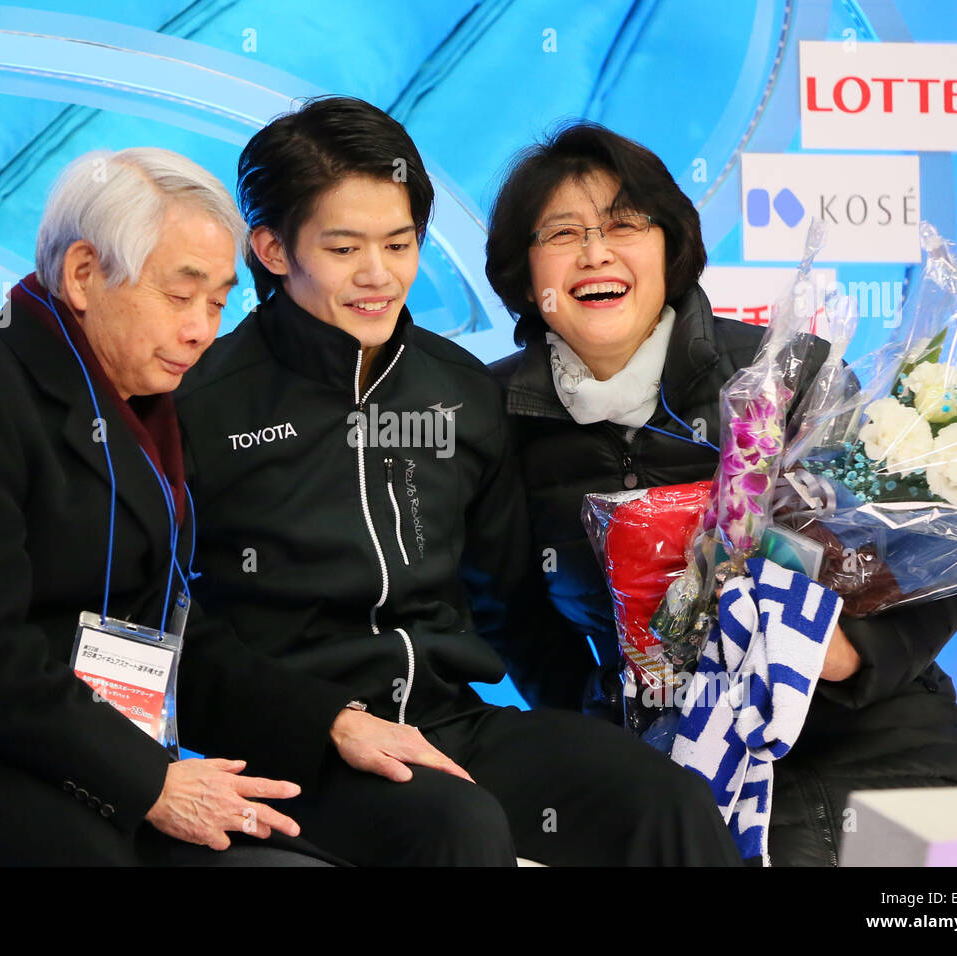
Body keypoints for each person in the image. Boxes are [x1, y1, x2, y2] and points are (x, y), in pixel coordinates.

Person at [173, 96, 740, 866]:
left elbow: (513, 607)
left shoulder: (461, 392)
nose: (378, 275)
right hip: (292, 749)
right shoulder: (196, 403)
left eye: (399, 243)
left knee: (663, 798)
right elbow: (160, 620)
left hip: (449, 728)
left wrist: (611, 724)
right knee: (456, 824)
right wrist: (322, 721)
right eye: (343, 248)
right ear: (273, 249)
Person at [484, 122, 957, 866]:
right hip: (680, 781)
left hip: (885, 739)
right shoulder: (495, 419)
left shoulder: (791, 370)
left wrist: (849, 655)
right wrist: (624, 720)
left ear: (670, 246)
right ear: (523, 267)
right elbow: (512, 620)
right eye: (563, 233)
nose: (596, 253)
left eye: (624, 225)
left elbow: (928, 564)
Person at [0, 147, 345, 866]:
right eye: (180, 295)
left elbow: (170, 635)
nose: (202, 329)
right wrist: (149, 782)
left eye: (217, 301)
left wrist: (331, 722)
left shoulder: (150, 415)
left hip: (91, 764)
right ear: (83, 274)